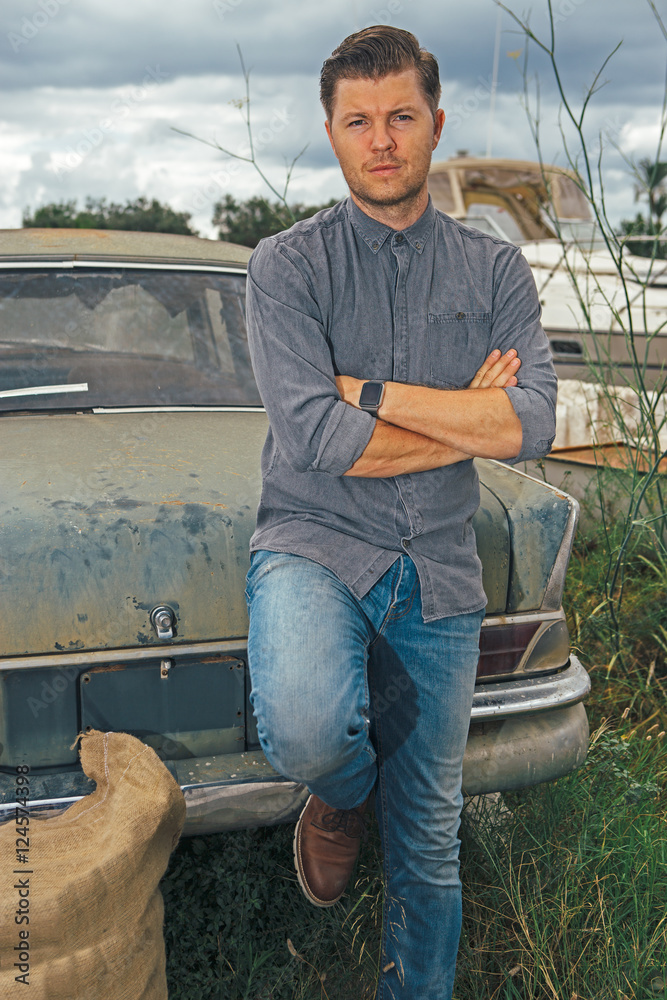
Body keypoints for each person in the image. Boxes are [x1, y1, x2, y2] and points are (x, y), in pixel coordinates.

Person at [244, 25, 557, 1000]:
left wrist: (367, 391)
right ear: (332, 132)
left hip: (438, 561)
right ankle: (338, 797)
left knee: (428, 840)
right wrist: (470, 416)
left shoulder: (495, 272)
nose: (380, 139)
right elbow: (313, 442)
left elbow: (535, 423)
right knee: (306, 726)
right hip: (312, 539)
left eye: (401, 117)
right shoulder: (285, 267)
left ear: (434, 124)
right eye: (358, 121)